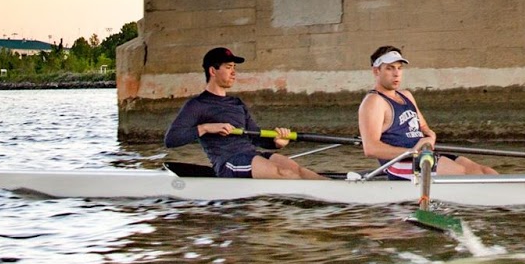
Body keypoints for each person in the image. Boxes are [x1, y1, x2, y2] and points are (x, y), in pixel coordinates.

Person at [163, 46, 326, 179]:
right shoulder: (197, 105)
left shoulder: (236, 103)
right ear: (213, 71)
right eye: (228, 67)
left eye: (234, 67)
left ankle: (336, 192)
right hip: (229, 163)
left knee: (301, 171)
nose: (234, 72)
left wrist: (277, 142)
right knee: (284, 174)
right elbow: (171, 139)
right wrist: (206, 128)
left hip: (252, 155)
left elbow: (255, 136)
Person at [357, 45, 497, 178]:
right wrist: (412, 151)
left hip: (423, 155)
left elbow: (424, 128)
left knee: (485, 172)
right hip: (399, 163)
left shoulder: (406, 95)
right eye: (390, 68)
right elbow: (371, 149)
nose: (396, 74)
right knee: (458, 171)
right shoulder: (374, 101)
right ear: (376, 71)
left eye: (399, 68)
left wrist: (431, 137)